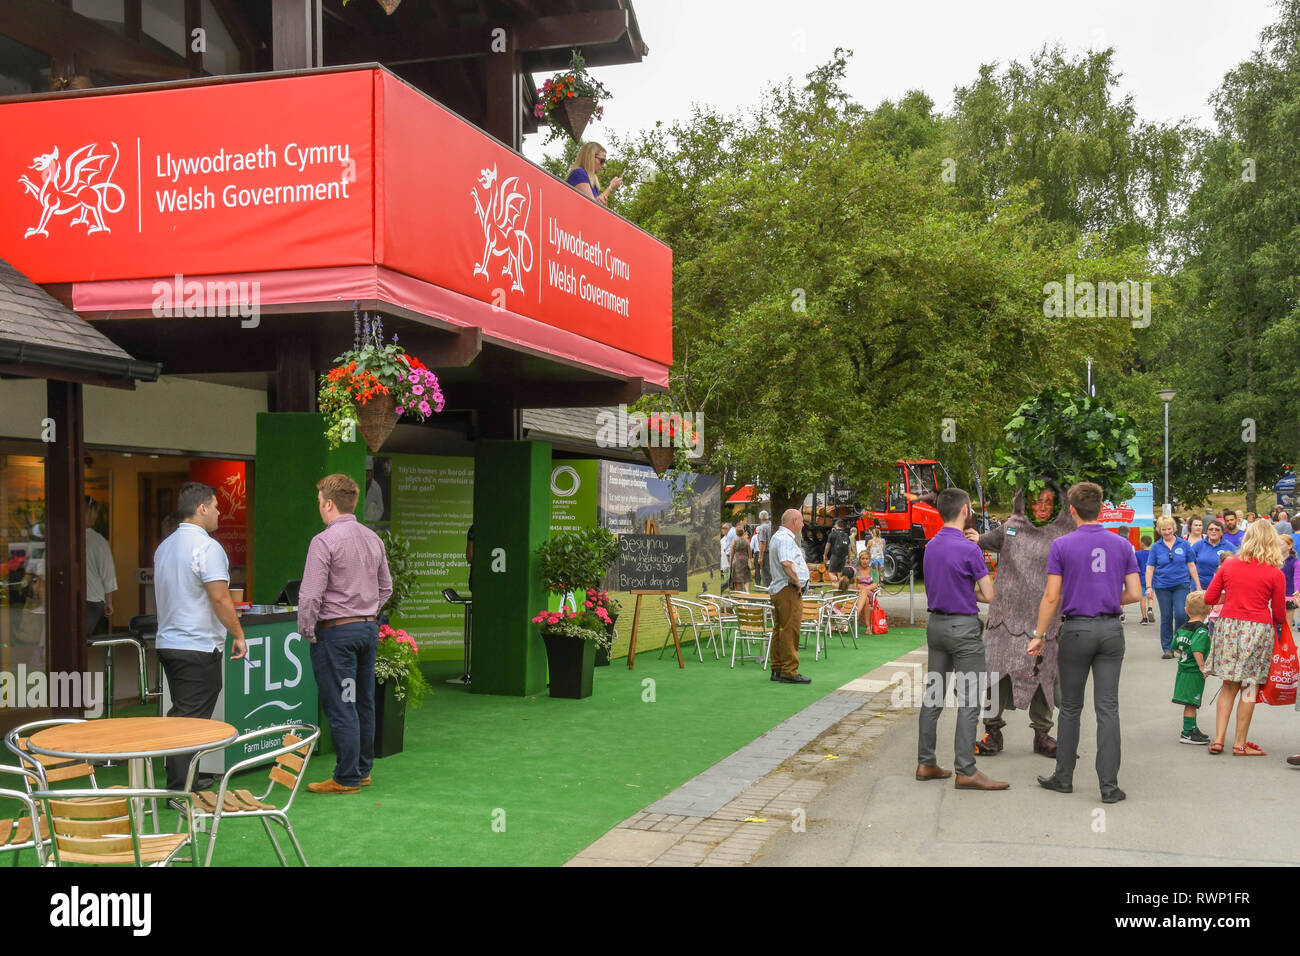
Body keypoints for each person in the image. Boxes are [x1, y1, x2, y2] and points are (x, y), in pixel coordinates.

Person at [1031, 482, 1142, 804]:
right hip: (1110, 630)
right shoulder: (1122, 544)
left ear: (1072, 510)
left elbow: (1052, 596)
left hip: (1076, 630)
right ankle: (1109, 786)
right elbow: (1135, 593)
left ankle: (1063, 777)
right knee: (1108, 709)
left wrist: (1038, 635)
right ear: (1102, 508)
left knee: (1071, 708)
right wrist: (1109, 599)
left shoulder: (1062, 545)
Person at [300, 474, 393, 793]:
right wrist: (367, 613)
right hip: (366, 629)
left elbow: (310, 595)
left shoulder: (323, 541)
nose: (318, 508)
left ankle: (347, 776)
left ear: (328, 503)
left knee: (342, 702)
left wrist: (307, 630)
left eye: (318, 502)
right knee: (361, 700)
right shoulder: (373, 538)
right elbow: (387, 587)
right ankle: (362, 769)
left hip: (336, 634)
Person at [153, 481, 247, 792]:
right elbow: (220, 598)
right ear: (202, 508)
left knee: (183, 712)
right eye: (217, 506)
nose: (221, 512)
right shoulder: (207, 547)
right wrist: (238, 634)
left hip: (169, 643)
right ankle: (180, 785)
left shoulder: (164, 547)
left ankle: (184, 776)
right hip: (196, 645)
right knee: (188, 719)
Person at [968, 483, 1073, 758]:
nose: (1041, 506)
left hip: (1044, 619)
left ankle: (1042, 733)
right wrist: (971, 537)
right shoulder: (1011, 527)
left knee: (1043, 674)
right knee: (996, 675)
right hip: (1006, 618)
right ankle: (992, 731)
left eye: (1048, 502)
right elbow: (980, 540)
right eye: (1036, 501)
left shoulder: (1063, 532)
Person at [917, 488, 1005, 790]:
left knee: (933, 696)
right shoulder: (970, 550)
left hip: (936, 625)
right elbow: (990, 595)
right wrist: (970, 592)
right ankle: (965, 769)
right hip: (964, 628)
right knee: (969, 701)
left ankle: (926, 762)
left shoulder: (930, 546)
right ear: (966, 510)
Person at [1203, 519, 1286, 756]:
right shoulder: (1275, 573)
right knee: (1249, 685)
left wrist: (1229, 598)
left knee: (1228, 684)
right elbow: (1279, 614)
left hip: (1229, 626)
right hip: (1258, 629)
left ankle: (1218, 739)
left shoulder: (1228, 565)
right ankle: (1240, 743)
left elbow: (1209, 598)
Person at [767, 508, 811, 684]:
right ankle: (789, 671)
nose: (802, 524)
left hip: (779, 588)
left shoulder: (778, 537)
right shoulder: (785, 539)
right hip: (787, 588)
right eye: (800, 520)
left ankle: (777, 668)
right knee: (790, 630)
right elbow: (786, 562)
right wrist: (797, 582)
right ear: (793, 522)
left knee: (780, 629)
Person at [1145, 516, 1198, 659]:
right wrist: (1148, 587)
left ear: (1174, 529)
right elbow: (1150, 568)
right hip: (1162, 586)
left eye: (1169, 529)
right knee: (1166, 616)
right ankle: (1167, 648)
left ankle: (1179, 644)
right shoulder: (1156, 547)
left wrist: (1197, 585)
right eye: (1163, 529)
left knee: (1181, 614)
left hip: (1181, 584)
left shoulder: (1184, 544)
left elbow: (1191, 565)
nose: (1167, 532)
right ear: (1159, 531)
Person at [1172, 591, 1212, 745]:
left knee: (1191, 702)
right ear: (1209, 611)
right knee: (1192, 702)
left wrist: (1184, 653)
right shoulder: (1201, 630)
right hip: (1193, 671)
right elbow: (1196, 648)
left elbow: (1175, 646)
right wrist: (1202, 667)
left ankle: (1192, 727)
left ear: (1186, 610)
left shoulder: (1182, 628)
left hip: (1182, 669)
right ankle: (1187, 732)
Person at [84, 497, 117, 639]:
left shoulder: (67, 537)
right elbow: (108, 575)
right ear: (89, 512)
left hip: (70, 600)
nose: (96, 516)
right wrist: (109, 602)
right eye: (95, 512)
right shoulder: (99, 541)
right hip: (93, 600)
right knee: (81, 640)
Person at [853, 551, 880, 628]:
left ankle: (856, 615)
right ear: (859, 560)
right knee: (866, 600)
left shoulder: (874, 571)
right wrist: (862, 589)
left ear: (870, 560)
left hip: (870, 593)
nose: (865, 561)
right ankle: (868, 627)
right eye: (862, 559)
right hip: (858, 594)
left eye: (867, 559)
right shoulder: (856, 571)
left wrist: (864, 589)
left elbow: (875, 584)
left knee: (865, 594)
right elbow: (855, 584)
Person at [1135, 535, 1153, 624]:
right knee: (1150, 596)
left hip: (1141, 578)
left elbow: (1135, 566)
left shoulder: (1137, 553)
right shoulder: (1153, 553)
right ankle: (1150, 608)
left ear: (1142, 543)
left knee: (1142, 598)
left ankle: (1144, 618)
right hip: (1152, 577)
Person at [730, 523, 752, 591]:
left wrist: (730, 563)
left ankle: (740, 595)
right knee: (746, 579)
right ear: (742, 532)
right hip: (745, 561)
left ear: (736, 533)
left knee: (737, 579)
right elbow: (750, 552)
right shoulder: (746, 540)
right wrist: (749, 559)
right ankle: (747, 593)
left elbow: (731, 554)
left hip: (737, 561)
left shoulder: (734, 541)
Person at [755, 511, 772, 587]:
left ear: (760, 518)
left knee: (766, 574)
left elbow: (763, 543)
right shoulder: (772, 525)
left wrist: (760, 557)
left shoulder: (762, 528)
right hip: (773, 551)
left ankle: (768, 591)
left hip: (766, 553)